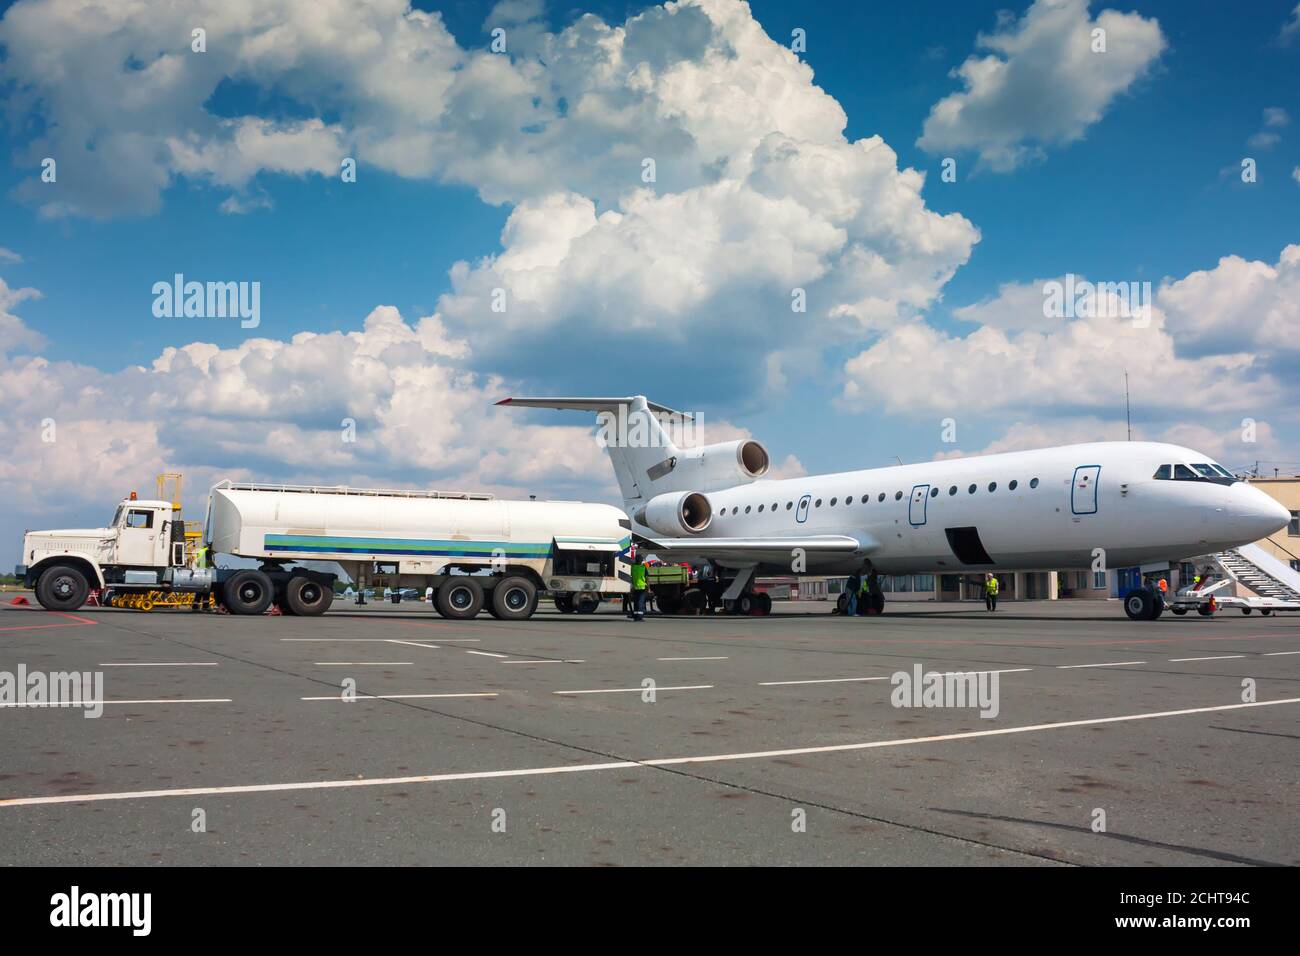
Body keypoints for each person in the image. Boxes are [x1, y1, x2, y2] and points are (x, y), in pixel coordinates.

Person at [629, 556, 648, 622]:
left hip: (634, 587)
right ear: (641, 560)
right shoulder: (643, 567)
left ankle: (635, 616)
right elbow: (647, 578)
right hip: (642, 587)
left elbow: (630, 577)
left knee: (636, 602)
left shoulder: (632, 567)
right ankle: (639, 617)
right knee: (640, 602)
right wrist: (648, 587)